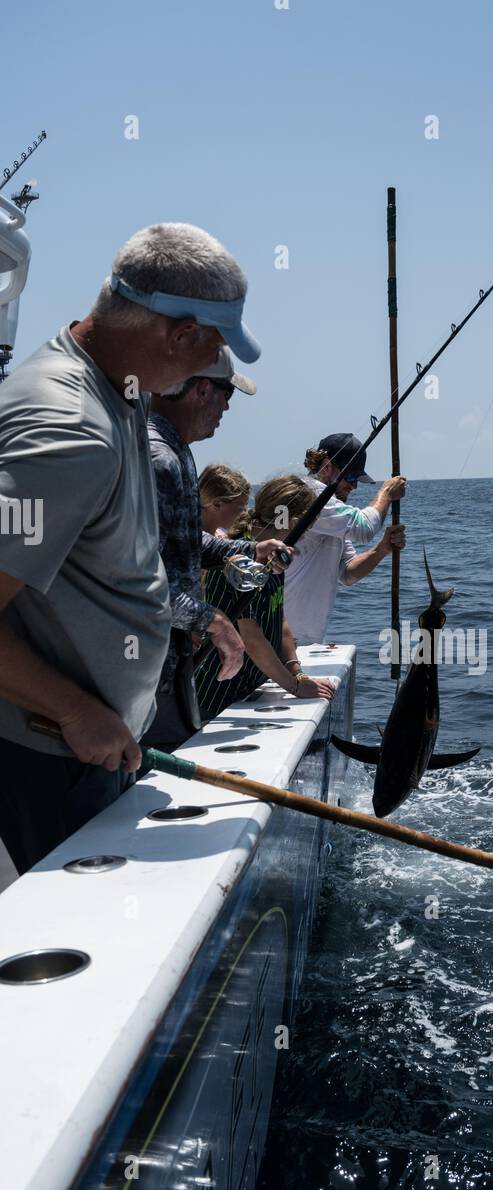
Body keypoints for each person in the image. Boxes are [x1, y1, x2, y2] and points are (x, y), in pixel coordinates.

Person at [0, 221, 259, 874]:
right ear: (178, 335)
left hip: (85, 748)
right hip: (53, 752)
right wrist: (77, 710)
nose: (209, 370)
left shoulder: (113, 396)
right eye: (211, 350)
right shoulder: (72, 428)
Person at [146, 348, 289, 750]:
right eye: (227, 393)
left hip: (167, 665)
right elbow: (137, 578)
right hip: (145, 673)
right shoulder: (159, 459)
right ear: (203, 389)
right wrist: (214, 622)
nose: (227, 406)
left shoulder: (174, 451)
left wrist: (249, 549)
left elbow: (184, 542)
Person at [196, 476, 335, 719]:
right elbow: (251, 638)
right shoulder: (242, 561)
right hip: (216, 697)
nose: (308, 532)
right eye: (309, 524)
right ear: (291, 520)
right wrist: (294, 688)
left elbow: (279, 622)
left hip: (248, 690)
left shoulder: (275, 555)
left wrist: (297, 673)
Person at [282, 432, 406, 644]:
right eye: (350, 477)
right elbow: (364, 527)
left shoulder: (332, 514)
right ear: (326, 466)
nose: (354, 486)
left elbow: (348, 573)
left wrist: (382, 549)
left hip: (304, 641)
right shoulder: (311, 496)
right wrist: (386, 492)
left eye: (357, 479)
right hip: (281, 637)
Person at [198, 463, 251, 538]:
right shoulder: (188, 540)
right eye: (240, 509)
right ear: (217, 504)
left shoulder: (221, 538)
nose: (245, 514)